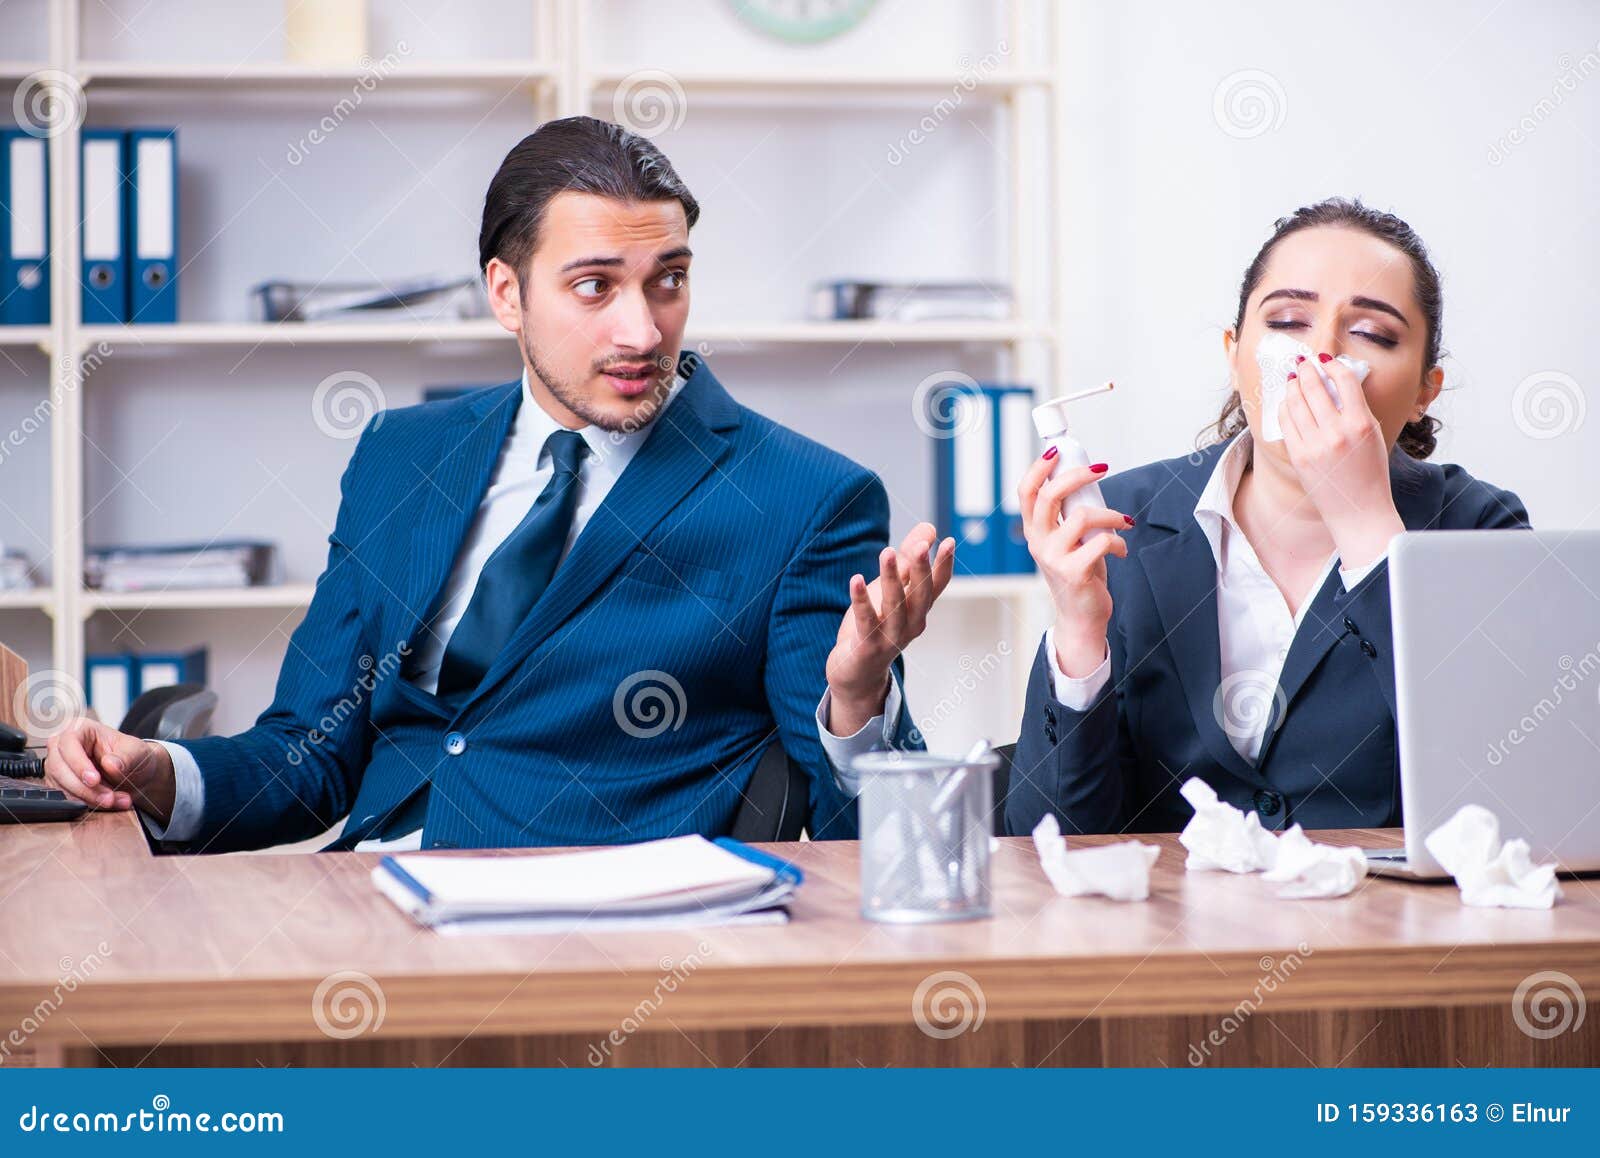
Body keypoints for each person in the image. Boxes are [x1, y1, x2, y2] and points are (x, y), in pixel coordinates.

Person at [44, 116, 955, 852]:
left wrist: (859, 696)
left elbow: (868, 842)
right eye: (595, 287)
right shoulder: (404, 455)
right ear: (506, 293)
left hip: (589, 954)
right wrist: (153, 770)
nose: (642, 330)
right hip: (365, 906)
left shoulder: (804, 499)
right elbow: (305, 756)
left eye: (667, 281)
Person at [1007, 197, 1529, 836]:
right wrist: (1079, 635)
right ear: (1235, 354)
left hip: (1387, 929)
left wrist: (1366, 523)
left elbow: (1507, 801)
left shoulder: (1478, 529)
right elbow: (1049, 840)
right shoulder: (1126, 521)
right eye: (1287, 321)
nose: (1321, 357)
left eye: (1371, 334)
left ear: (1425, 390)